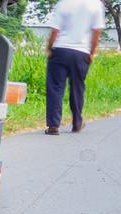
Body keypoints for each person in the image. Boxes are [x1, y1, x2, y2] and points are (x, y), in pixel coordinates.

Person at [45, 0, 104, 135]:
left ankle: (53, 126)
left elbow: (55, 31)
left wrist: (49, 48)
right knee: (77, 87)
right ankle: (77, 123)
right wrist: (92, 52)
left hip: (60, 50)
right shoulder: (96, 5)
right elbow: (97, 32)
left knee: (55, 88)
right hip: (81, 52)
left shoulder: (63, 3)